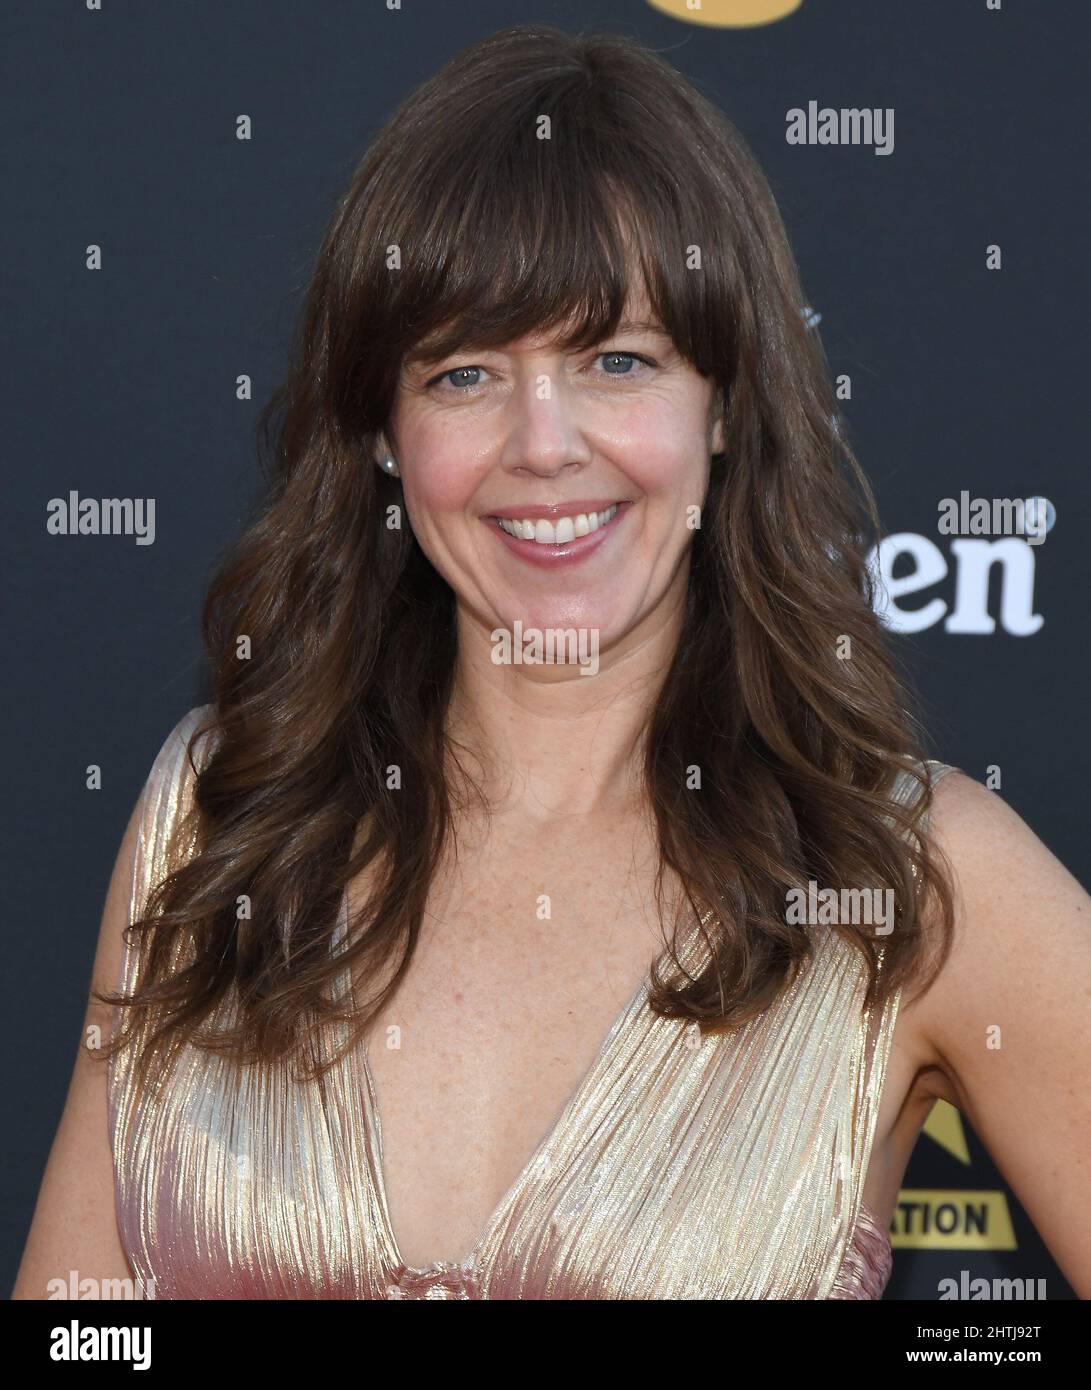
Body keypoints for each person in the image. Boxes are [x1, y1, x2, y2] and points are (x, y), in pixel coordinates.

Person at [14, 24, 1090, 1301]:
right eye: (465, 373)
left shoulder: (910, 882)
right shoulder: (216, 813)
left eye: (615, 361)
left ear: (726, 404)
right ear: (380, 431)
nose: (543, 444)